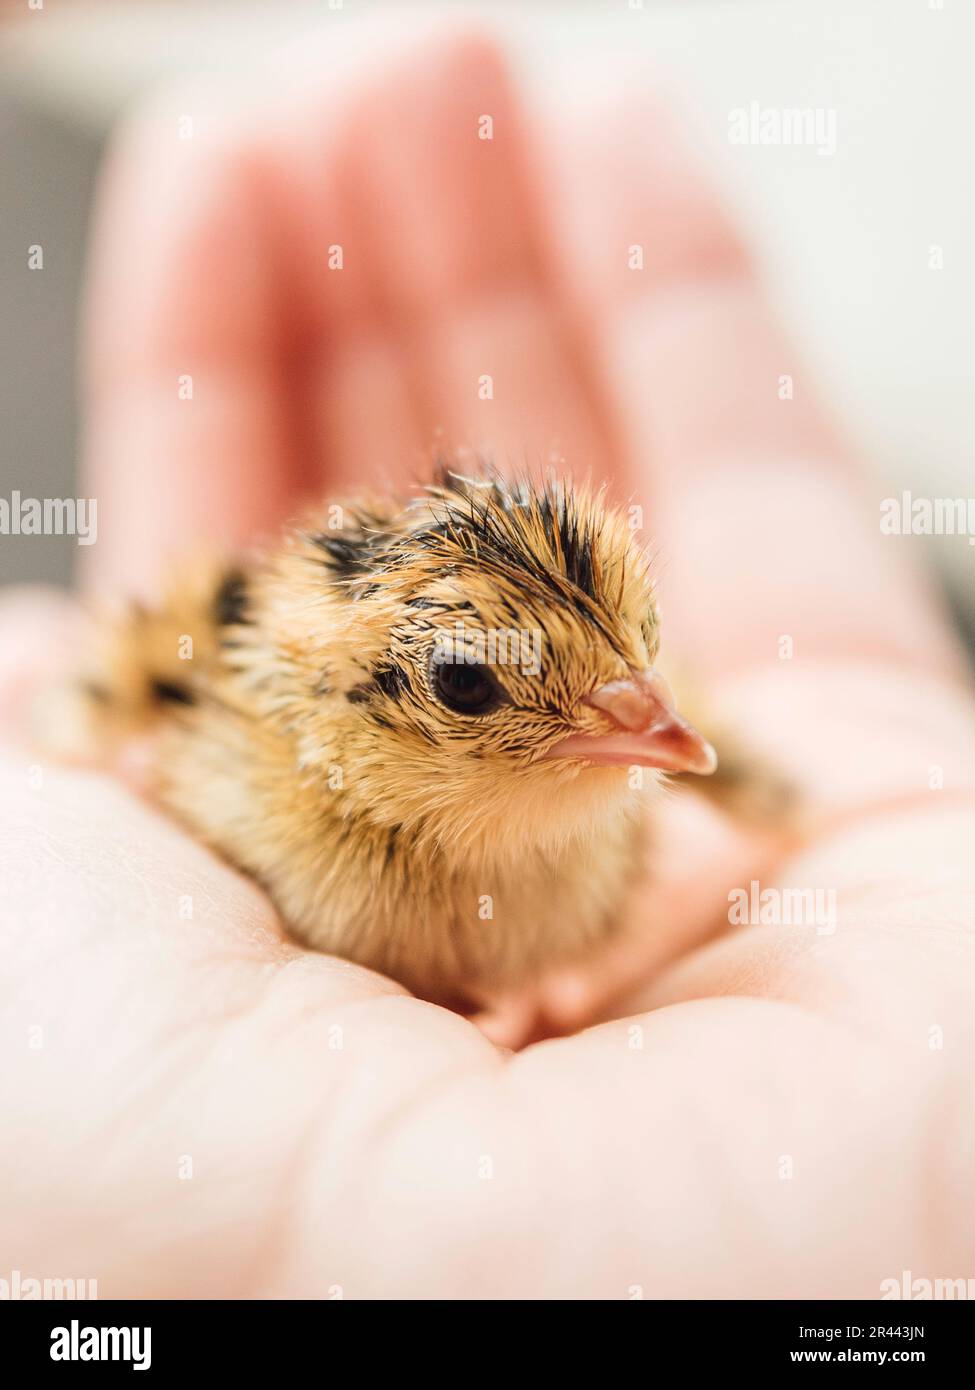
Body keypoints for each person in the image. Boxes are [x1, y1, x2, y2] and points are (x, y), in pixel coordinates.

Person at [2, 29, 973, 1298]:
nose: (654, 725)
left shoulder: (612, 803)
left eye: (635, 656)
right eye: (471, 687)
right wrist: (78, 735)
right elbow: (134, 663)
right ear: (353, 707)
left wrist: (791, 816)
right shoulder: (246, 741)